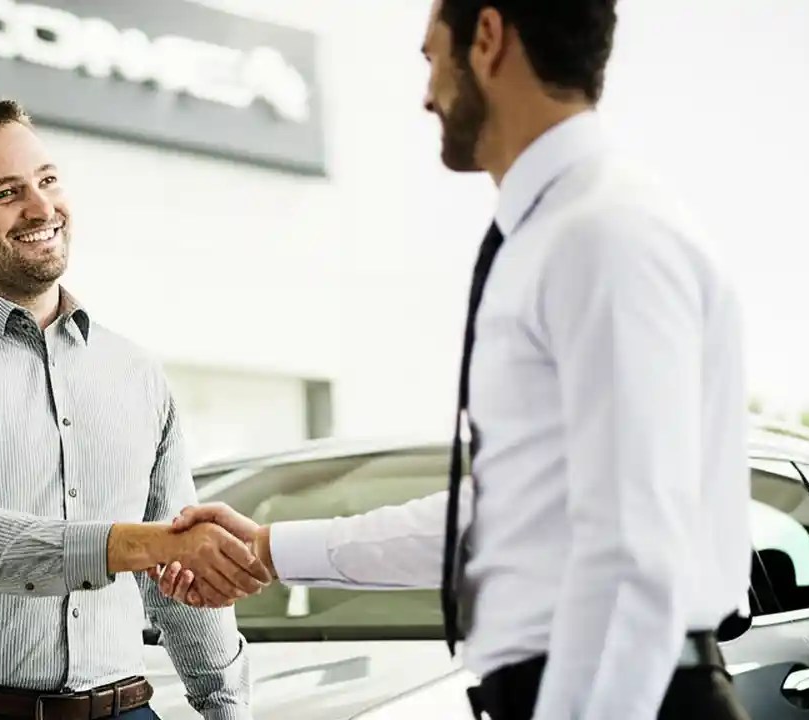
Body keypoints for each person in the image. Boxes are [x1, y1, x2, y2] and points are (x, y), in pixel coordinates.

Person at [154, 1, 754, 719]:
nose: (428, 93)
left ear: (490, 39)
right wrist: (273, 548)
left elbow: (634, 555)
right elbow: (506, 515)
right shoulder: (556, 234)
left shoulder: (602, 235)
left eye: (433, 56)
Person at [0, 96, 269, 720]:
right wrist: (147, 544)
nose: (42, 207)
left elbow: (178, 581)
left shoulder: (134, 373)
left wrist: (227, 707)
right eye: (5, 193)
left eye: (47, 180)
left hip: (126, 709)